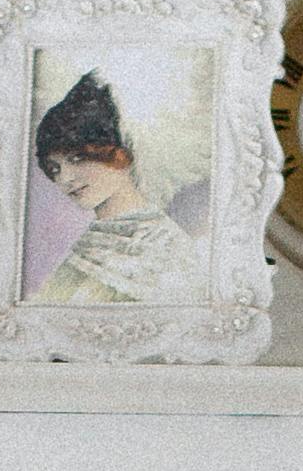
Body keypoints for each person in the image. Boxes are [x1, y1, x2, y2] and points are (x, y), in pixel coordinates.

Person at [23, 65, 211, 308]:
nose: (65, 178)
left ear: (120, 154)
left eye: (78, 158)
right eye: (55, 168)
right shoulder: (91, 243)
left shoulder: (164, 246)